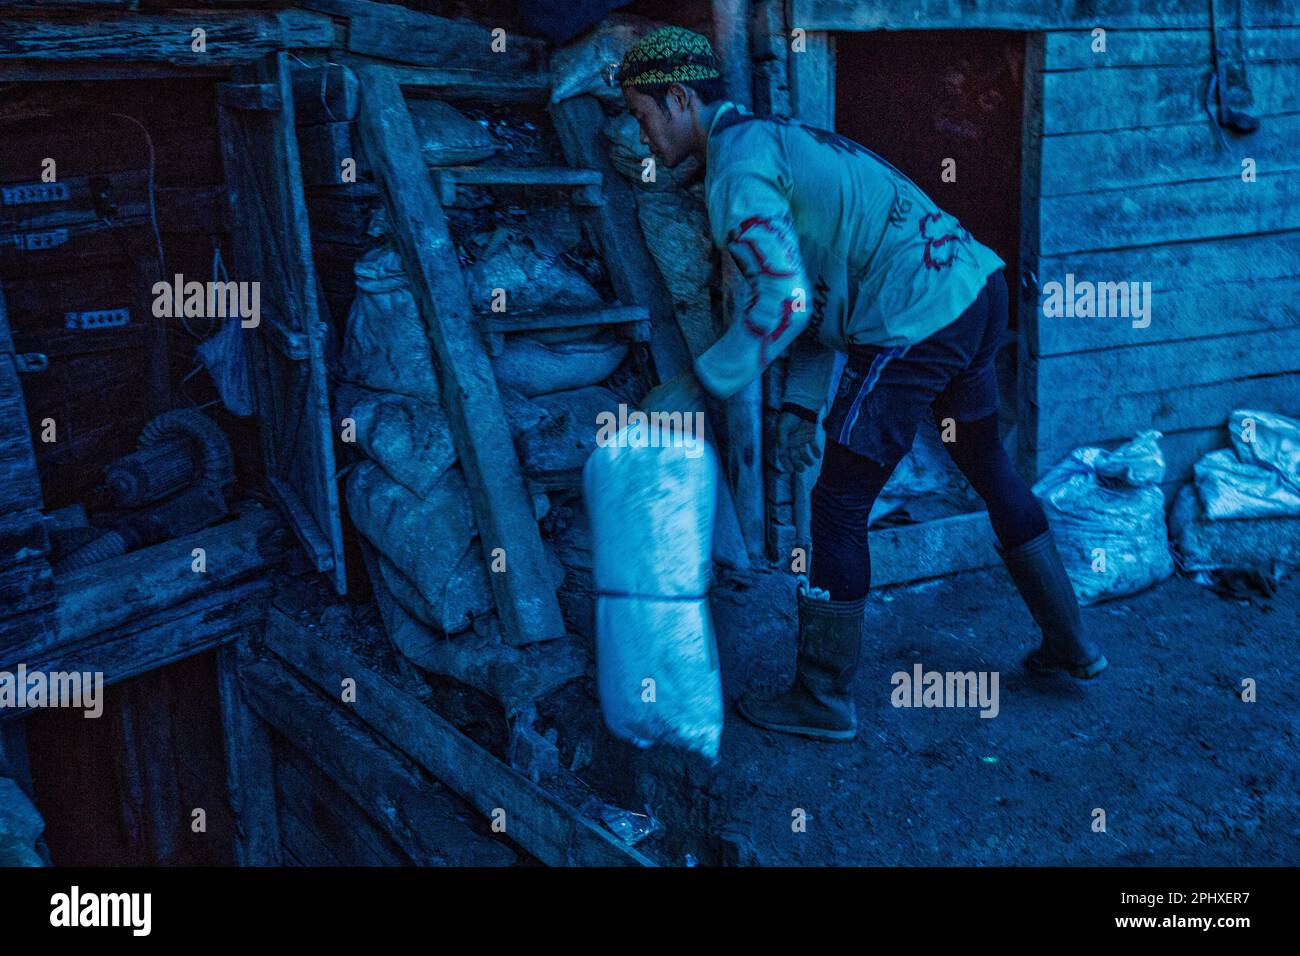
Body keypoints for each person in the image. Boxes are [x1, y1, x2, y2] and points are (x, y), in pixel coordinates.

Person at [619, 27, 1106, 742]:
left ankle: (823, 698)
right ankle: (1072, 644)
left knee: (838, 502)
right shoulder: (776, 140)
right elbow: (820, 284)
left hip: (917, 317)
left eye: (642, 114)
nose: (642, 135)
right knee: (985, 462)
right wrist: (799, 406)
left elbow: (784, 303)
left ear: (681, 99)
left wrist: (694, 388)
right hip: (974, 285)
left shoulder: (736, 168)